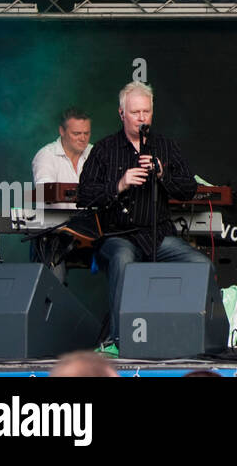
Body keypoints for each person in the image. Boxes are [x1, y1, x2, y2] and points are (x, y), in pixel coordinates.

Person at [77, 81, 208, 349]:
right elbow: (84, 195)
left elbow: (189, 189)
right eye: (135, 112)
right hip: (118, 234)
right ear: (122, 114)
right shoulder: (104, 149)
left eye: (146, 112)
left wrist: (162, 174)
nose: (141, 118)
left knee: (200, 265)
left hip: (158, 234)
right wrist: (120, 184)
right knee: (123, 259)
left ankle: (190, 338)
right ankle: (118, 342)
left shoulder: (166, 146)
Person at [31, 108, 93, 206]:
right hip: (56, 221)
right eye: (76, 133)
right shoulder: (46, 155)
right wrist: (91, 193)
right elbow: (45, 193)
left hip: (91, 220)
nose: (82, 138)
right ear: (62, 131)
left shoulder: (95, 152)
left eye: (86, 133)